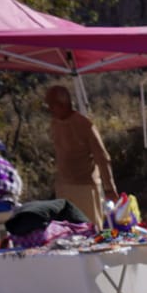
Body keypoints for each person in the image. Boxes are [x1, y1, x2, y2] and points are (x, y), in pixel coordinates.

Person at [43, 84, 117, 225]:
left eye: (52, 105)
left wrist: (109, 188)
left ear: (63, 104)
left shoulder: (84, 125)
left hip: (85, 187)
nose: (50, 109)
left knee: (90, 229)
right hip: (64, 186)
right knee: (68, 231)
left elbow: (102, 157)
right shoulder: (55, 123)